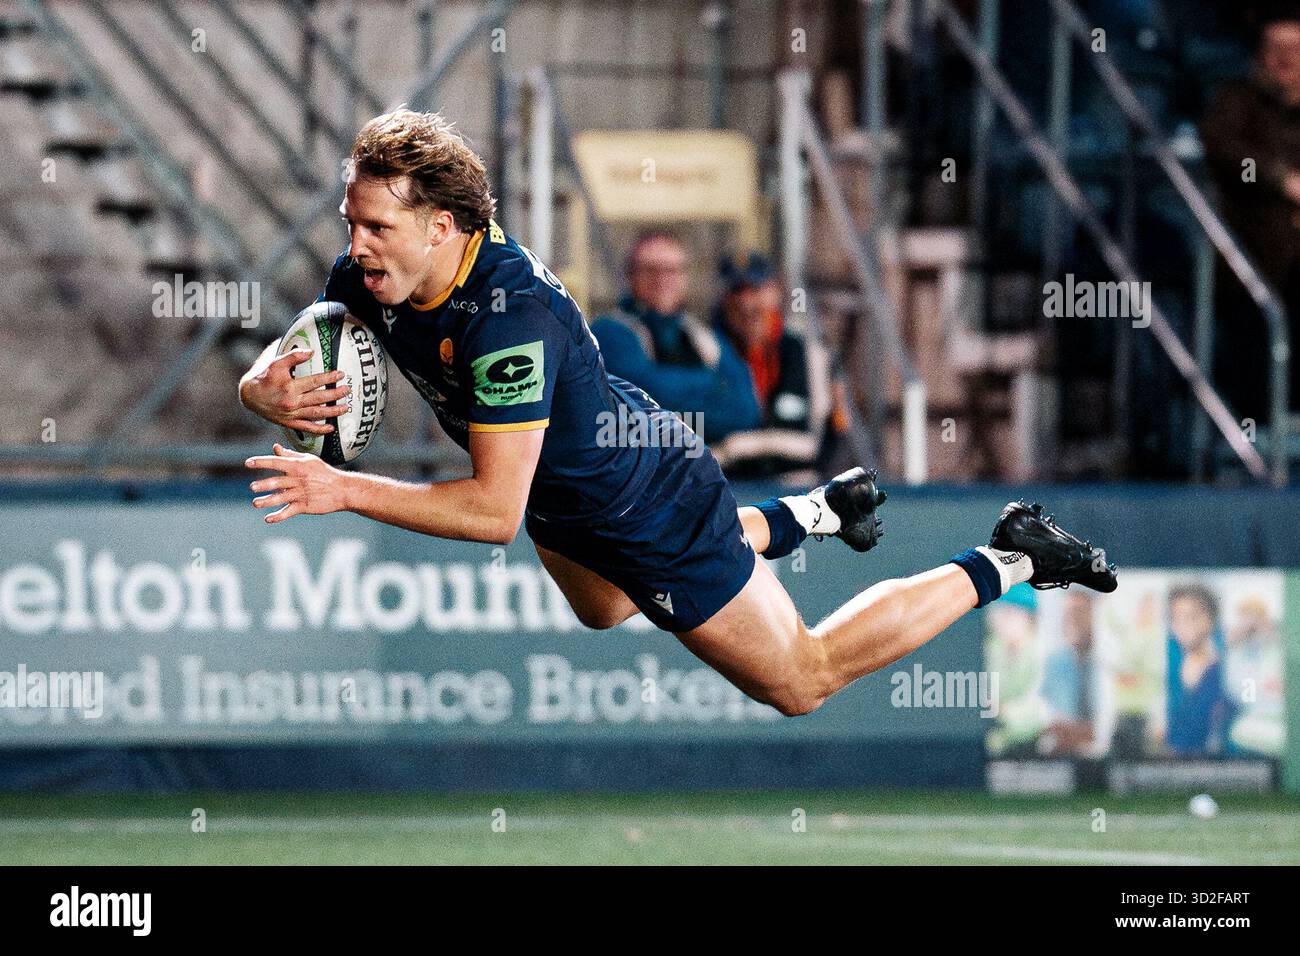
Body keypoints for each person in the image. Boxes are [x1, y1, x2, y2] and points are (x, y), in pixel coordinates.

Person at [238, 108, 1117, 719]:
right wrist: (259, 389)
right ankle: (814, 513)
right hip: (575, 484)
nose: (353, 245)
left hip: (643, 502)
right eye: (352, 222)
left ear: (441, 227)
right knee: (603, 609)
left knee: (801, 679)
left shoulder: (510, 326)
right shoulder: (374, 270)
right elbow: (299, 350)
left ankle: (1006, 556)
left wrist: (341, 488)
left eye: (376, 227)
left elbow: (490, 513)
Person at [1201, 9, 1300, 422]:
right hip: (1258, 262)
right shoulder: (1238, 100)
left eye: (1294, 49)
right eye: (1274, 49)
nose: (1284, 60)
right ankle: (1261, 429)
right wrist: (1283, 182)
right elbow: (1222, 148)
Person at [589, 231, 761, 444]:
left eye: (671, 270)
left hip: (708, 467)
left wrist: (676, 409)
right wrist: (713, 382)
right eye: (650, 270)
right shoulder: (608, 333)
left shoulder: (703, 336)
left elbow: (747, 409)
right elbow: (643, 399)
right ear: (630, 275)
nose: (662, 279)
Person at [711, 252, 842, 478]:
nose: (746, 303)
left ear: (775, 293)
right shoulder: (706, 350)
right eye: (736, 292)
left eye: (755, 290)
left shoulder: (810, 355)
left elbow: (836, 427)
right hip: (730, 487)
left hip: (798, 489)